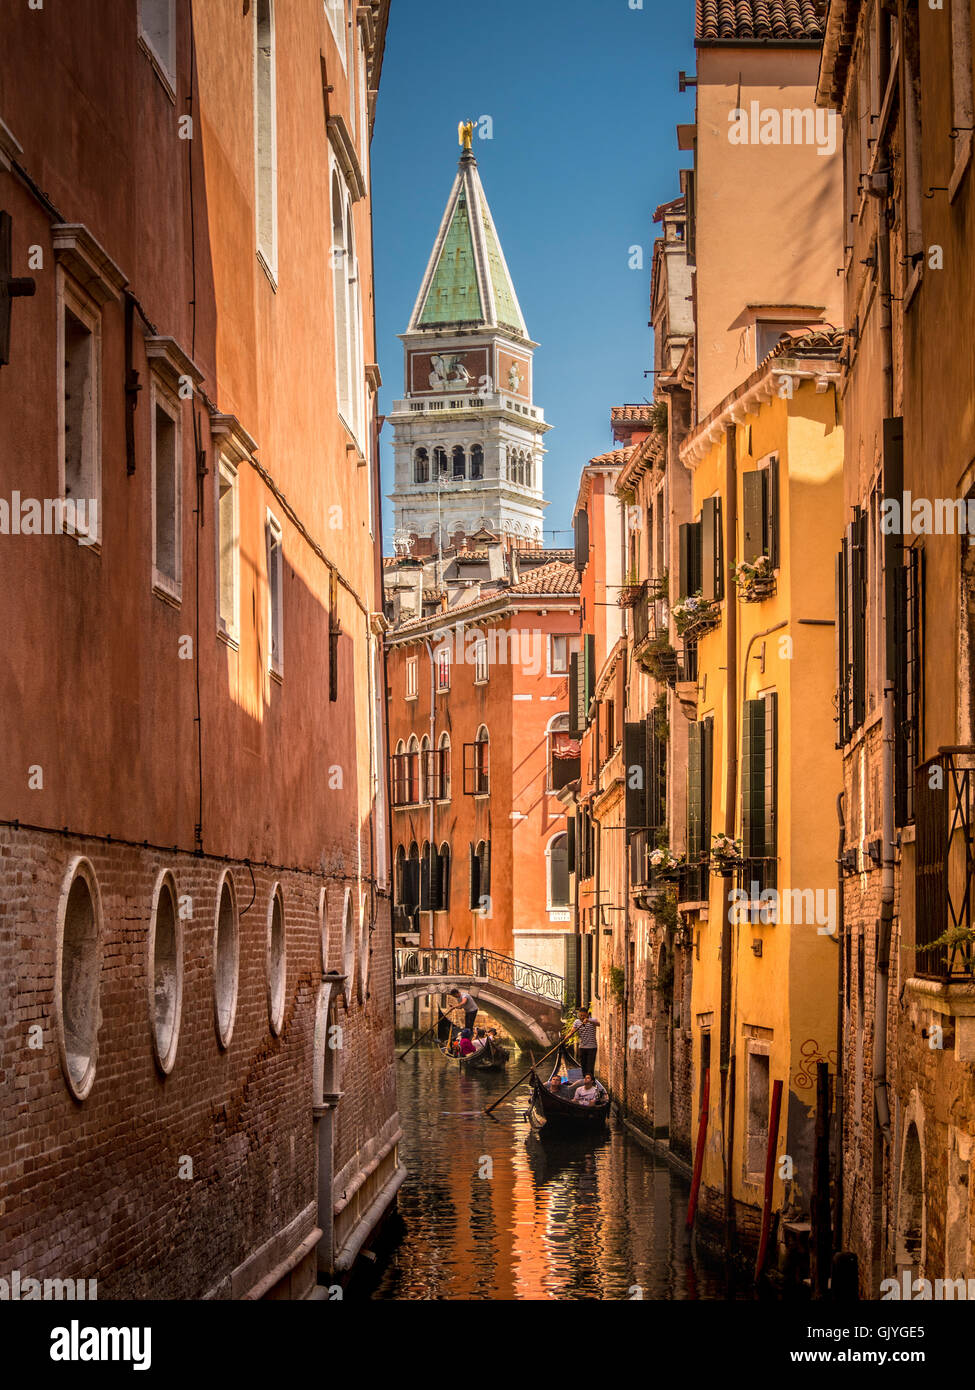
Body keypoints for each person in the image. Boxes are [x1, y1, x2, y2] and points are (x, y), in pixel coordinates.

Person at [568, 1008, 599, 1080]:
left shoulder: (593, 1020)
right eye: (581, 1015)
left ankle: (591, 1081)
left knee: (590, 1067)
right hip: (582, 1047)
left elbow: (598, 1024)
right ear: (579, 1014)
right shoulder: (577, 1022)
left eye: (584, 1015)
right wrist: (566, 1038)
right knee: (583, 1067)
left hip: (592, 1048)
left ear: (587, 1014)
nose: (582, 1017)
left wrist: (589, 1021)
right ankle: (585, 1080)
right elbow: (572, 1031)